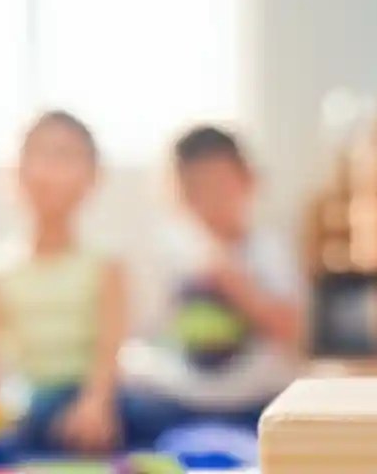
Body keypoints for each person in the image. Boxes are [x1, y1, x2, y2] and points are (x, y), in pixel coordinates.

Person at [0, 111, 157, 454]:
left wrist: (96, 404)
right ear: (16, 172)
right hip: (34, 402)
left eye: (66, 156)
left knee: (149, 414)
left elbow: (109, 350)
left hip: (100, 397)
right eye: (40, 154)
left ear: (93, 176)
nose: (51, 169)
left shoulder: (106, 264)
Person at [123, 125, 303, 429]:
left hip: (253, 400)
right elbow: (140, 335)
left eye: (219, 186)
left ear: (247, 181)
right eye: (194, 190)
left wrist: (234, 280)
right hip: (174, 401)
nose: (209, 201)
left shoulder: (267, 250)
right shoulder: (165, 251)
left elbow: (291, 331)